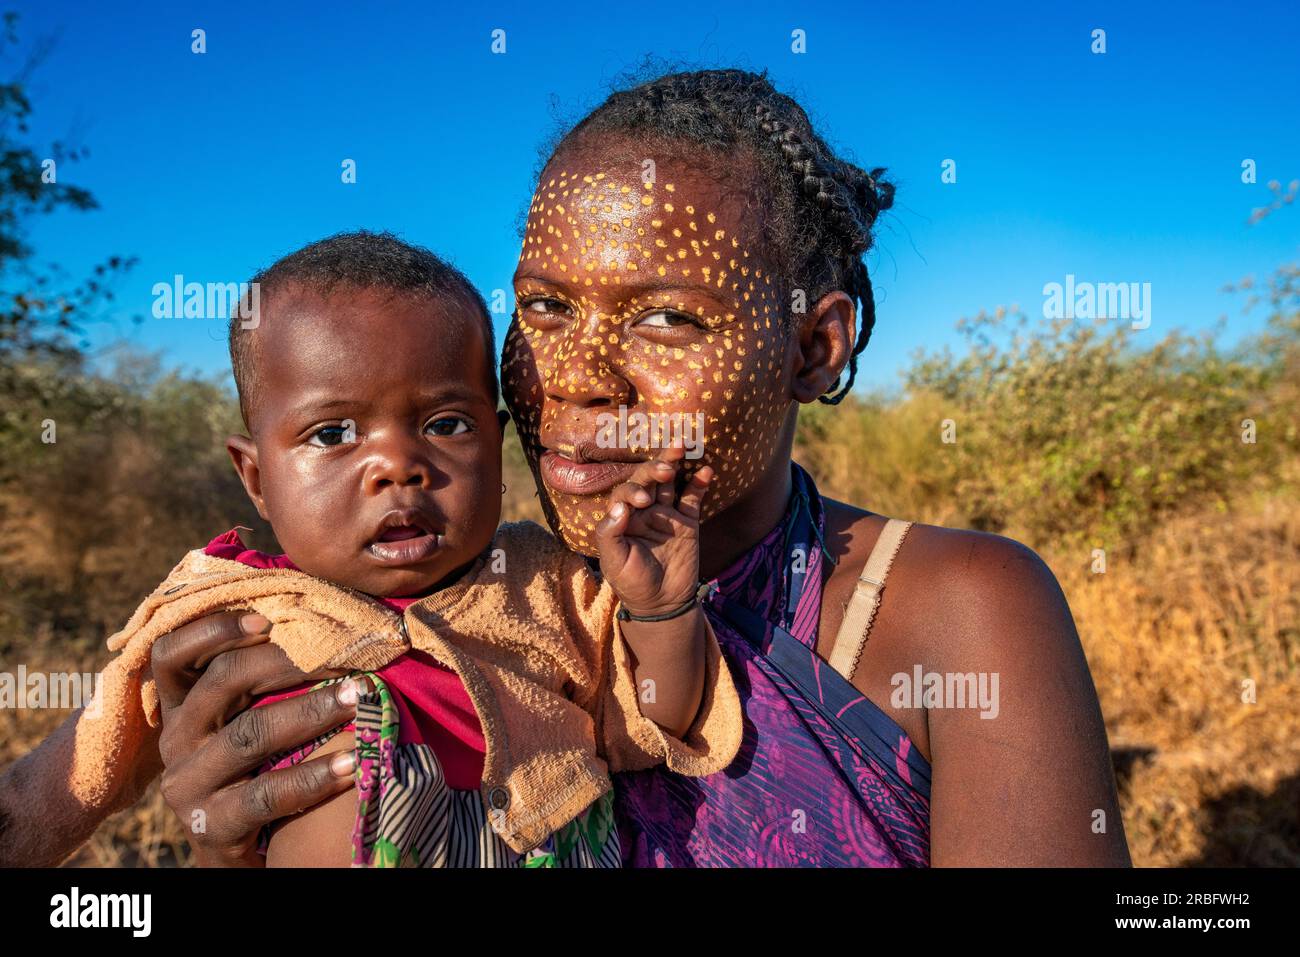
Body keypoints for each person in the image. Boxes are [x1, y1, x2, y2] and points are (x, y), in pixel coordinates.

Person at [16, 69, 1129, 868]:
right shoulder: (449, 587)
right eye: (544, 306)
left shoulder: (951, 610)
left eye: (666, 318)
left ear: (810, 347)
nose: (578, 379)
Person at [0, 230, 741, 867]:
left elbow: (649, 726)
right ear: (256, 478)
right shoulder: (222, 602)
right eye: (332, 434)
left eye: (447, 424)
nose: (398, 464)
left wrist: (664, 608)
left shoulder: (546, 580)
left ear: (498, 446)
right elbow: (61, 786)